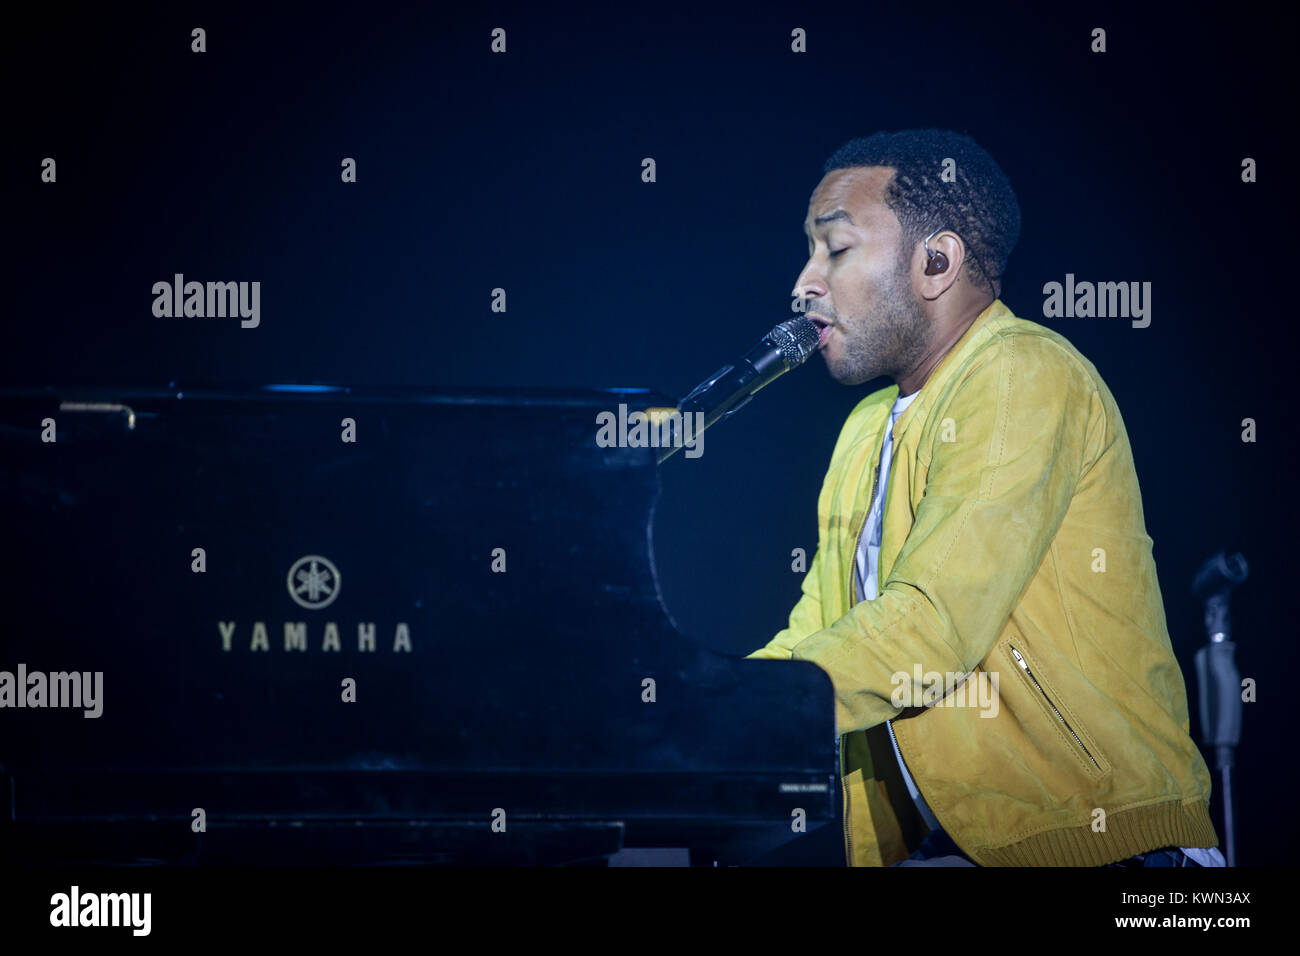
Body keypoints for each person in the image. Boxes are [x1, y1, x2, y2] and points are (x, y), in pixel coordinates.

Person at [747, 129, 1223, 868]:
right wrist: (700, 711)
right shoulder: (864, 429)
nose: (804, 282)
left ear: (936, 262)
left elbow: (929, 629)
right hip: (956, 849)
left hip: (1105, 849)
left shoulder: (1022, 372)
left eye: (835, 249)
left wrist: (727, 712)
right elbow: (816, 631)